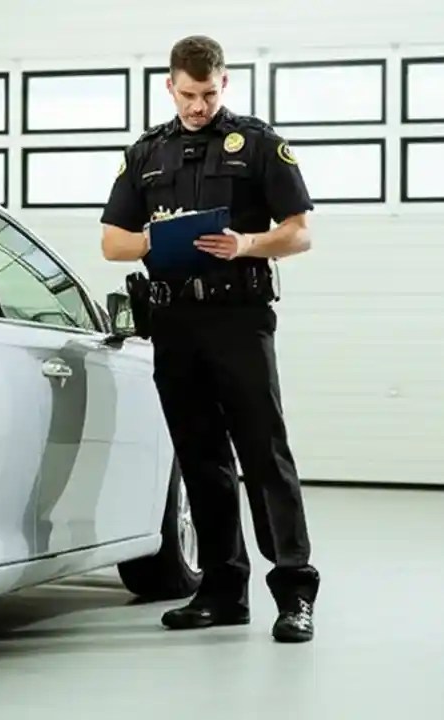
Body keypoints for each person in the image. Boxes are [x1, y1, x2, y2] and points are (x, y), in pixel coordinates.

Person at [99, 35, 319, 643]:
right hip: (174, 323)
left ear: (225, 84)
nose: (198, 106)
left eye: (209, 94)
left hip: (239, 319)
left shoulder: (257, 144)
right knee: (201, 458)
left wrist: (246, 243)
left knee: (264, 455)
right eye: (188, 95)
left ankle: (294, 592)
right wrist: (157, 238)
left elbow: (300, 232)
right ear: (169, 86)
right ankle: (223, 591)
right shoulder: (146, 153)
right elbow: (113, 241)